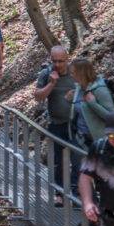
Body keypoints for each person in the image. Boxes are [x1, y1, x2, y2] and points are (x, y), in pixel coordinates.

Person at [34, 45, 79, 205]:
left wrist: (76, 96)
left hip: (75, 123)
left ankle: (76, 194)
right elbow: (38, 97)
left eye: (61, 61)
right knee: (58, 160)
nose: (58, 65)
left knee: (77, 158)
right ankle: (59, 193)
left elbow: (88, 90)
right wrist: (51, 84)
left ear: (67, 59)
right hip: (56, 123)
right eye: (55, 61)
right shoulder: (47, 74)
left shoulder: (75, 72)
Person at [71, 57, 114, 147]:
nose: (70, 75)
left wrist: (93, 104)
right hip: (81, 139)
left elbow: (113, 118)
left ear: (81, 73)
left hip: (101, 141)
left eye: (73, 73)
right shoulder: (78, 88)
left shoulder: (100, 89)